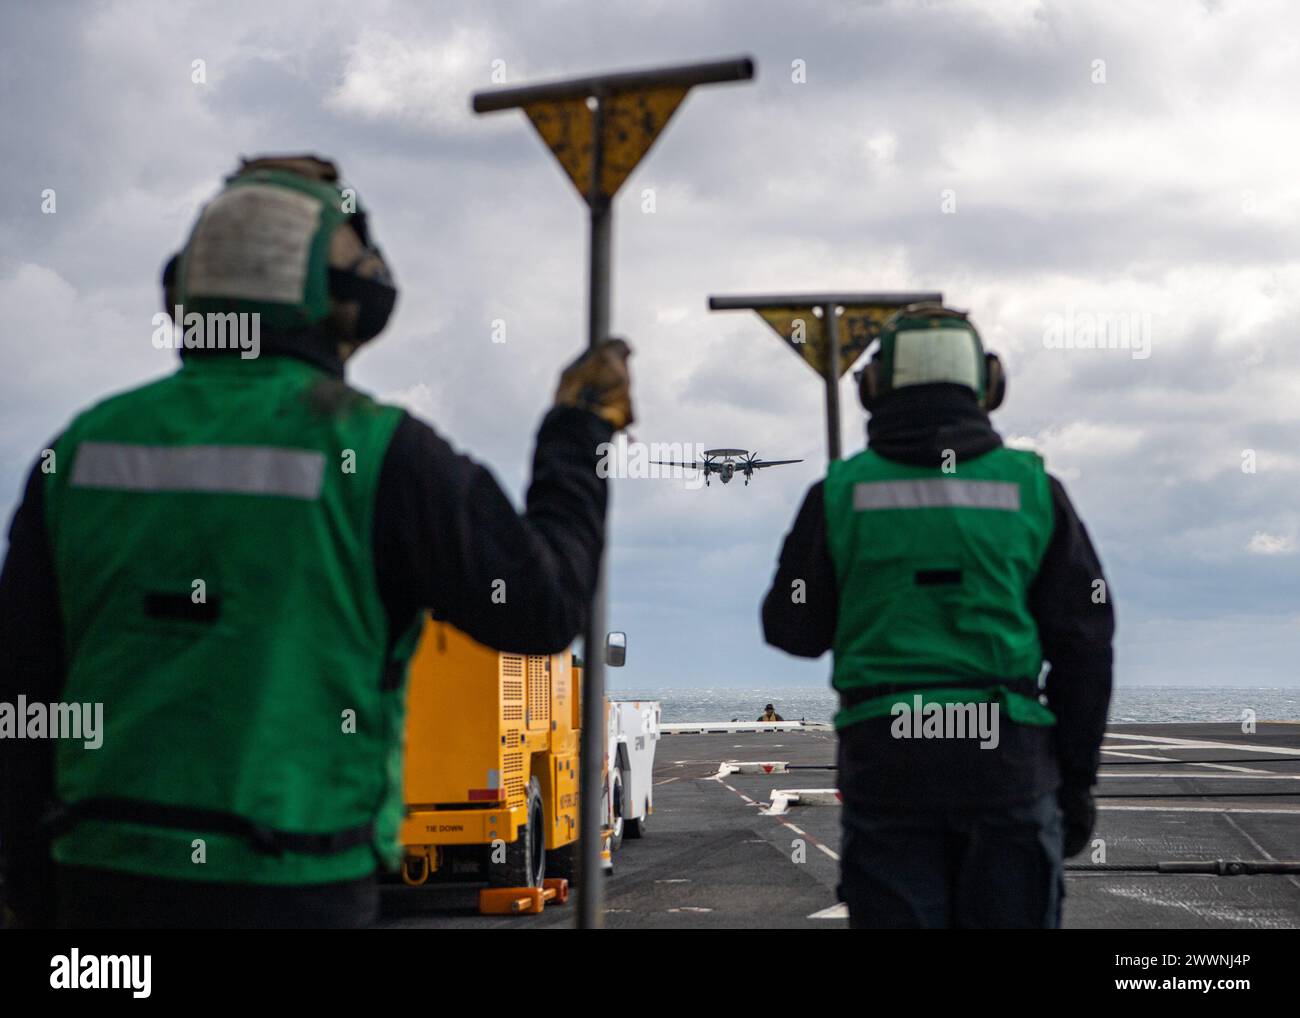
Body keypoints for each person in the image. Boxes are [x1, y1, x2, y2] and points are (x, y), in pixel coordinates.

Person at [0, 154, 633, 929]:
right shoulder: (377, 453)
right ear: (355, 302)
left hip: (98, 891)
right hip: (295, 888)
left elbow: (23, 705)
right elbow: (541, 607)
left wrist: (33, 900)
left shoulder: (80, 455)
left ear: (182, 293)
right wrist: (578, 434)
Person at [762, 303, 1113, 929]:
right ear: (989, 386)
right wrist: (1074, 782)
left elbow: (791, 629)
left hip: (888, 756)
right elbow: (1087, 644)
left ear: (873, 388)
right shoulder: (1032, 490)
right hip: (1005, 760)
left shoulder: (840, 494)